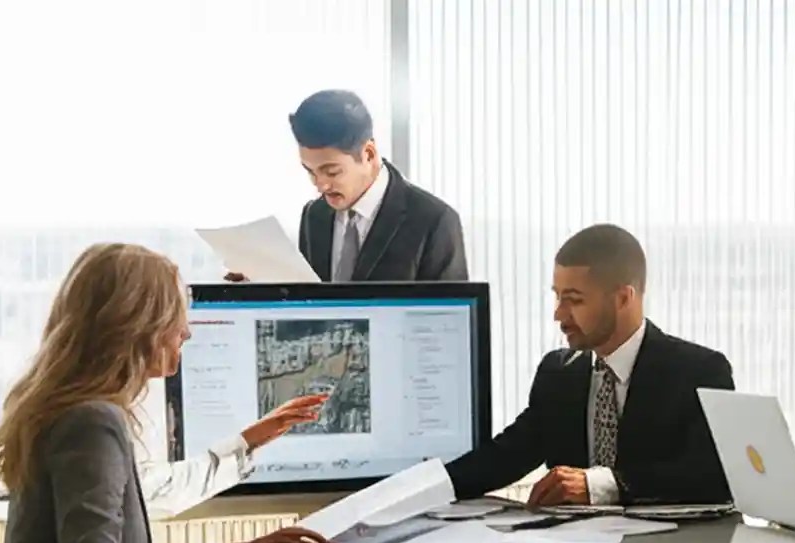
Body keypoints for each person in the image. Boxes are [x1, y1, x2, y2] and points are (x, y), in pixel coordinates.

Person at [0, 243, 332, 543]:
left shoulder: (68, 411)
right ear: (135, 326)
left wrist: (250, 440)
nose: (186, 331)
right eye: (175, 316)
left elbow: (155, 488)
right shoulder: (90, 422)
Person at [446, 223, 734, 506]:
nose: (559, 314)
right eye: (557, 296)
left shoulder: (699, 372)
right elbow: (504, 456)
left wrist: (601, 485)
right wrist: (415, 492)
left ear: (623, 298)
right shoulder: (559, 373)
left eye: (573, 300)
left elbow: (711, 477)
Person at [229, 89, 467, 283]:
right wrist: (261, 291)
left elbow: (450, 328)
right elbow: (312, 307)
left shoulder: (434, 221)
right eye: (309, 171)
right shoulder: (315, 215)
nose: (320, 185)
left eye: (331, 171)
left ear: (368, 154)